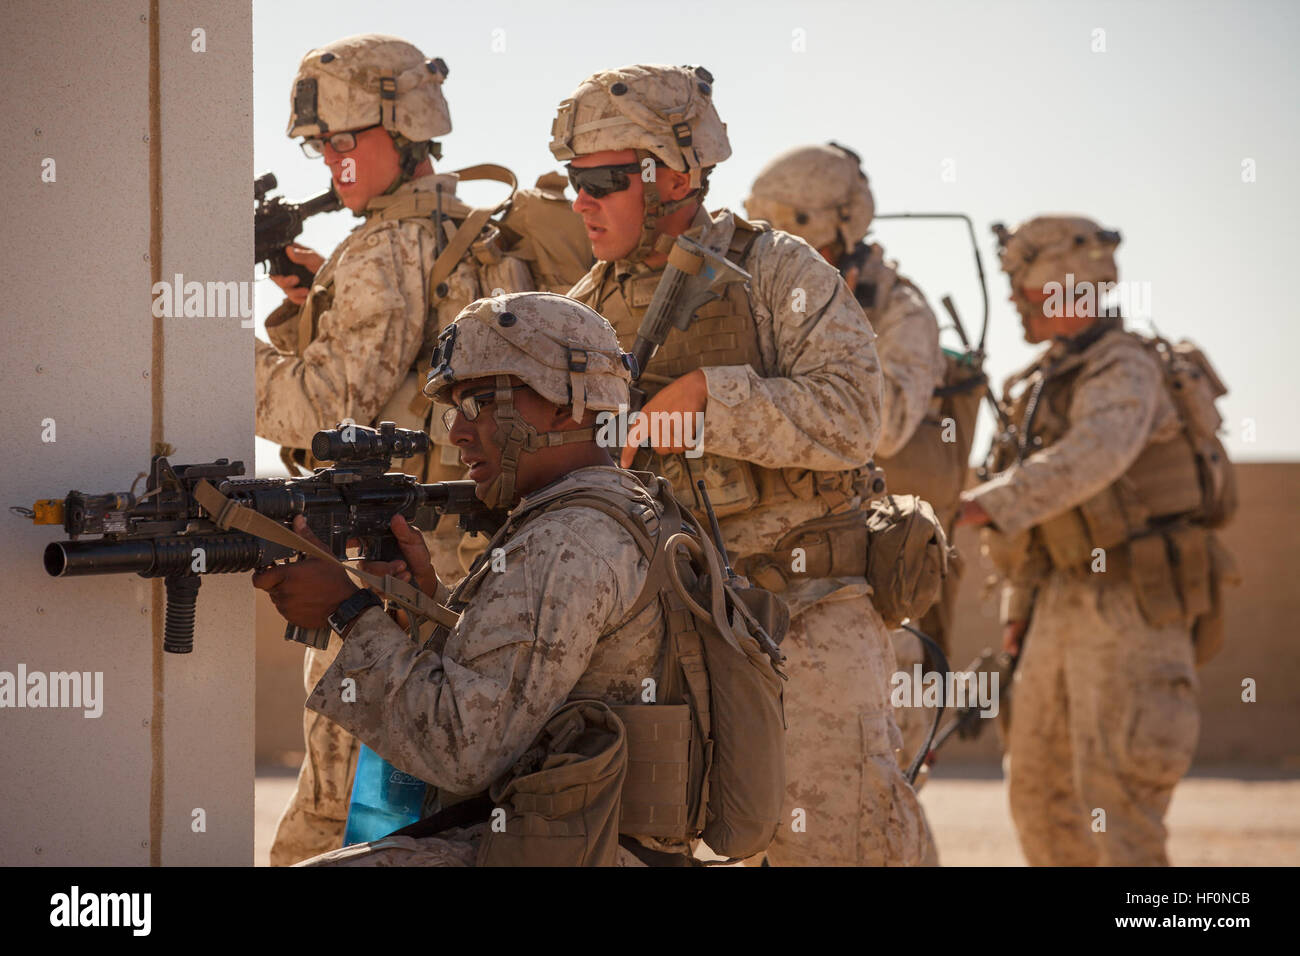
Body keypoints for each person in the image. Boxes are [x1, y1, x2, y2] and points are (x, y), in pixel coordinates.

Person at [553, 65, 933, 865]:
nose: (580, 200)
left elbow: (858, 416)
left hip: (806, 624)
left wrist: (709, 400)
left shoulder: (776, 271)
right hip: (672, 636)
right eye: (572, 180)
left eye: (604, 180)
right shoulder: (586, 302)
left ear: (678, 177)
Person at [253, 292, 751, 867]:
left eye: (481, 405)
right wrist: (427, 607)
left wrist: (345, 609)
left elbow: (462, 750)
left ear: (567, 407)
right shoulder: (625, 509)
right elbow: (531, 690)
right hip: (586, 839)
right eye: (456, 411)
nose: (458, 434)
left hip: (576, 849)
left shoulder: (569, 537)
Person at [258, 33, 588, 866]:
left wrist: (207, 354)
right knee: (432, 804)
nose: (331, 162)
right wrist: (313, 302)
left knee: (340, 809)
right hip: (465, 556)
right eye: (318, 146)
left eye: (344, 140)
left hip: (387, 563)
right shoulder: (478, 235)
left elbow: (327, 404)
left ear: (402, 128)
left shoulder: (385, 246)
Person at [956, 215, 1237, 866]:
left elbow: (1095, 456)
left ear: (1063, 288)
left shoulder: (1126, 368)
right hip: (1054, 604)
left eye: (1024, 291)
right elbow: (1038, 528)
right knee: (1039, 796)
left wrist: (985, 503)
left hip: (1131, 608)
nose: (1015, 305)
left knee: (1120, 810)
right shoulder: (1039, 382)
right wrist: (1016, 619)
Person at [744, 143, 969, 793]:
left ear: (841, 224)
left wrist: (815, 359)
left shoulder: (901, 312)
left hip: (876, 583)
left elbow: (883, 423)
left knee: (870, 804)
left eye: (791, 226)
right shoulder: (761, 297)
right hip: (780, 582)